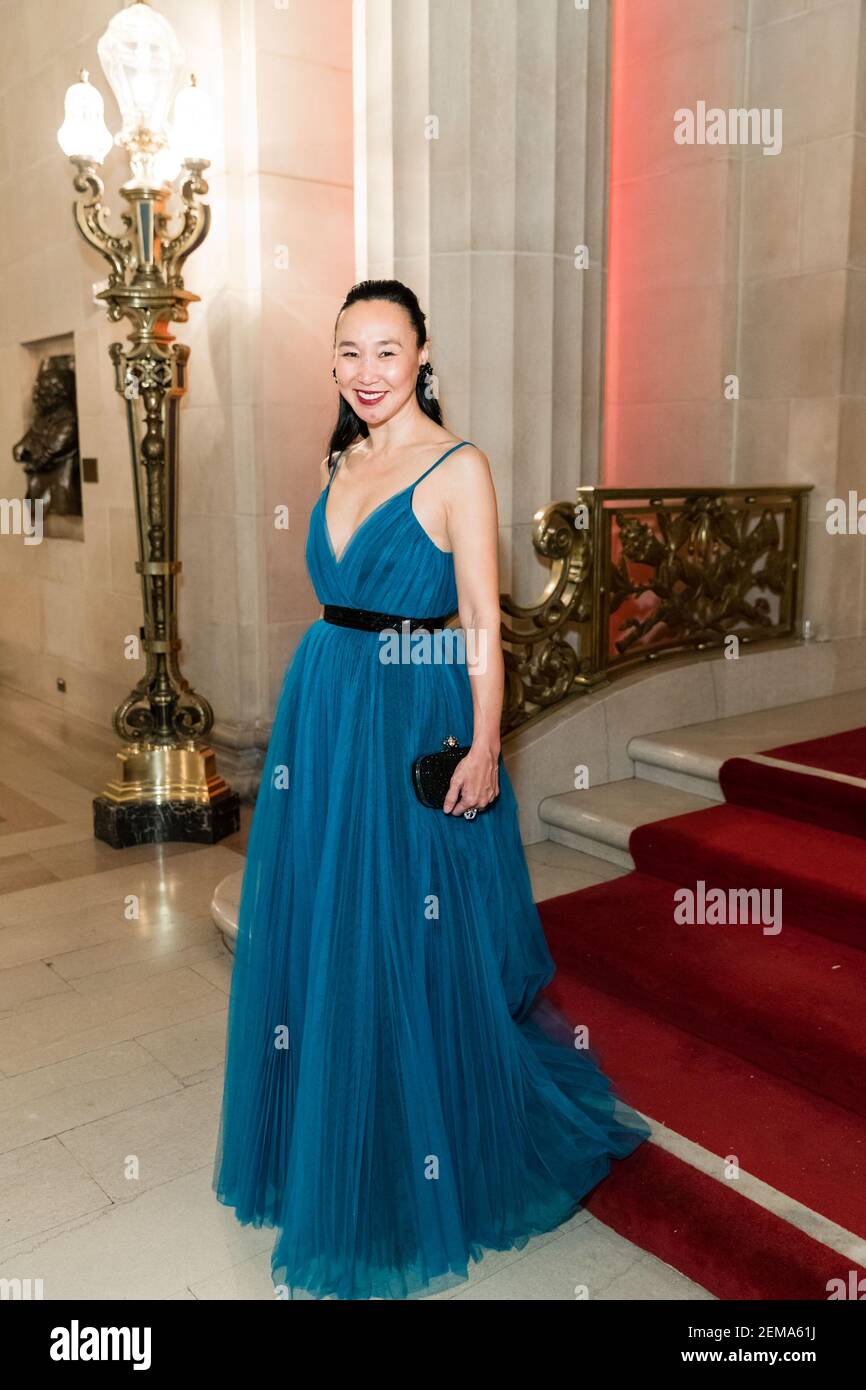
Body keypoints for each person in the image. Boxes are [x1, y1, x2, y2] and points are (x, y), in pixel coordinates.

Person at [213, 278, 651, 1300]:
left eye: (386, 351)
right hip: (324, 707)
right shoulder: (341, 458)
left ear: (422, 355)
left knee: (403, 932)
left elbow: (479, 621)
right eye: (347, 353)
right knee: (327, 926)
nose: (366, 372)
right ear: (332, 364)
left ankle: (419, 1154)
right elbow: (340, 603)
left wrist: (486, 739)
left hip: (412, 709)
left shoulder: (459, 467)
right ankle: (333, 1148)